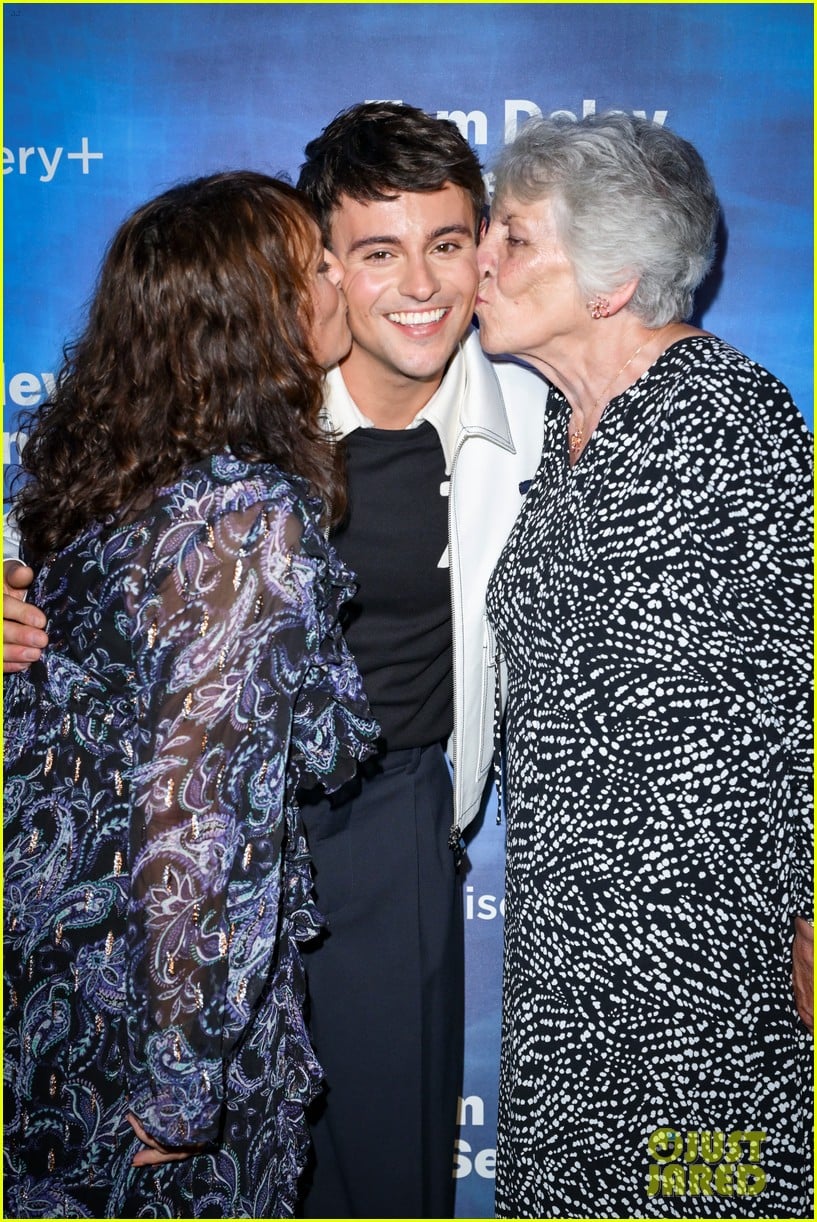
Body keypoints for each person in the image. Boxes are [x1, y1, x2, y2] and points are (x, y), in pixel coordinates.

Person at [3, 103, 550, 1219]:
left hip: (380, 830)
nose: (417, 285)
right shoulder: (224, 437)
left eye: (447, 244)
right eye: (370, 253)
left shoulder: (541, 420)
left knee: (379, 1177)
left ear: (485, 254)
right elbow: (163, 743)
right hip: (194, 853)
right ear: (319, 275)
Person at [3, 170, 379, 1219]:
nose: (342, 280)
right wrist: (179, 1081)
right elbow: (199, 813)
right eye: (317, 266)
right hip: (140, 1015)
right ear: (256, 314)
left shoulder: (102, 478)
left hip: (53, 972)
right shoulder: (239, 521)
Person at [474, 112, 813, 1218]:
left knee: (697, 1196)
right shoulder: (567, 432)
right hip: (569, 951)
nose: (481, 260)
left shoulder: (723, 421)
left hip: (701, 962)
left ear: (611, 281)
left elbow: (800, 681)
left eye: (514, 237)